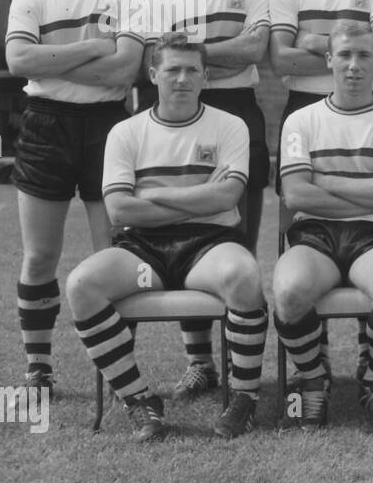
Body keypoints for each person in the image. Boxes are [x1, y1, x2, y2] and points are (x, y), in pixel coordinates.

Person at [64, 34, 267, 441]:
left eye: (192, 70)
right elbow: (119, 210)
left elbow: (227, 197)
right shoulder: (125, 131)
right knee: (82, 285)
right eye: (172, 69)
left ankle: (243, 398)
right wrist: (198, 197)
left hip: (208, 245)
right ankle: (141, 400)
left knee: (244, 276)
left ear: (206, 77)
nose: (182, 78)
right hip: (144, 251)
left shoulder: (230, 126)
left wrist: (152, 194)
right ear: (153, 74)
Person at [5, 0, 146, 392]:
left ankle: (115, 369)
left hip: (108, 126)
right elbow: (19, 62)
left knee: (110, 252)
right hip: (44, 124)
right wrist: (93, 46)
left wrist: (53, 56)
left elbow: (126, 70)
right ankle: (38, 367)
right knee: (40, 255)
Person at [142, 0, 272, 399]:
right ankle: (200, 361)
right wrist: (217, 54)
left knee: (238, 239)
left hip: (240, 109)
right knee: (186, 235)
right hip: (177, 121)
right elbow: (157, 63)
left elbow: (254, 50)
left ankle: (243, 363)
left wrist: (186, 55)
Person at [268, 0, 373, 381]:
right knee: (303, 214)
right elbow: (280, 58)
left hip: (371, 108)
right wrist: (349, 44)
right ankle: (313, 361)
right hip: (305, 106)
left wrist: (314, 39)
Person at [272, 19, 373, 432]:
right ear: (329, 59)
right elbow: (296, 196)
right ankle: (313, 378)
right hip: (314, 233)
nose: (354, 66)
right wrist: (369, 186)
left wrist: (325, 180)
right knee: (289, 290)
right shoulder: (300, 121)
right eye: (345, 56)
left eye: (364, 56)